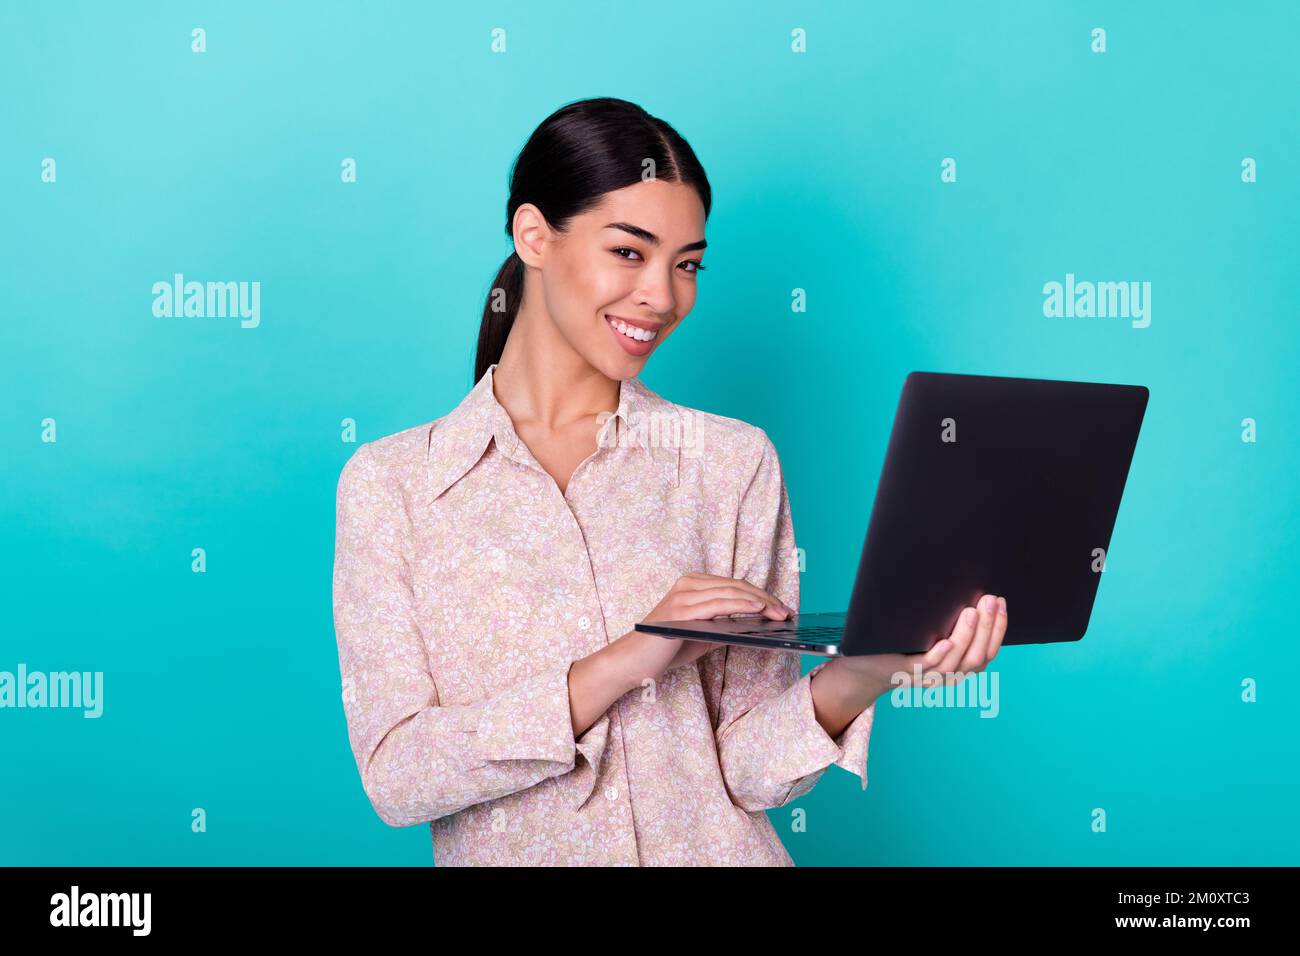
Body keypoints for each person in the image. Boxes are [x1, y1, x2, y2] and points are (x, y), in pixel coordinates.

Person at [331, 96, 1006, 866]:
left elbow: (750, 772)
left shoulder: (731, 462)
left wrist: (869, 669)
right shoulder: (393, 486)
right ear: (534, 236)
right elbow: (397, 775)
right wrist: (629, 659)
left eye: (687, 264)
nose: (663, 295)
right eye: (629, 252)